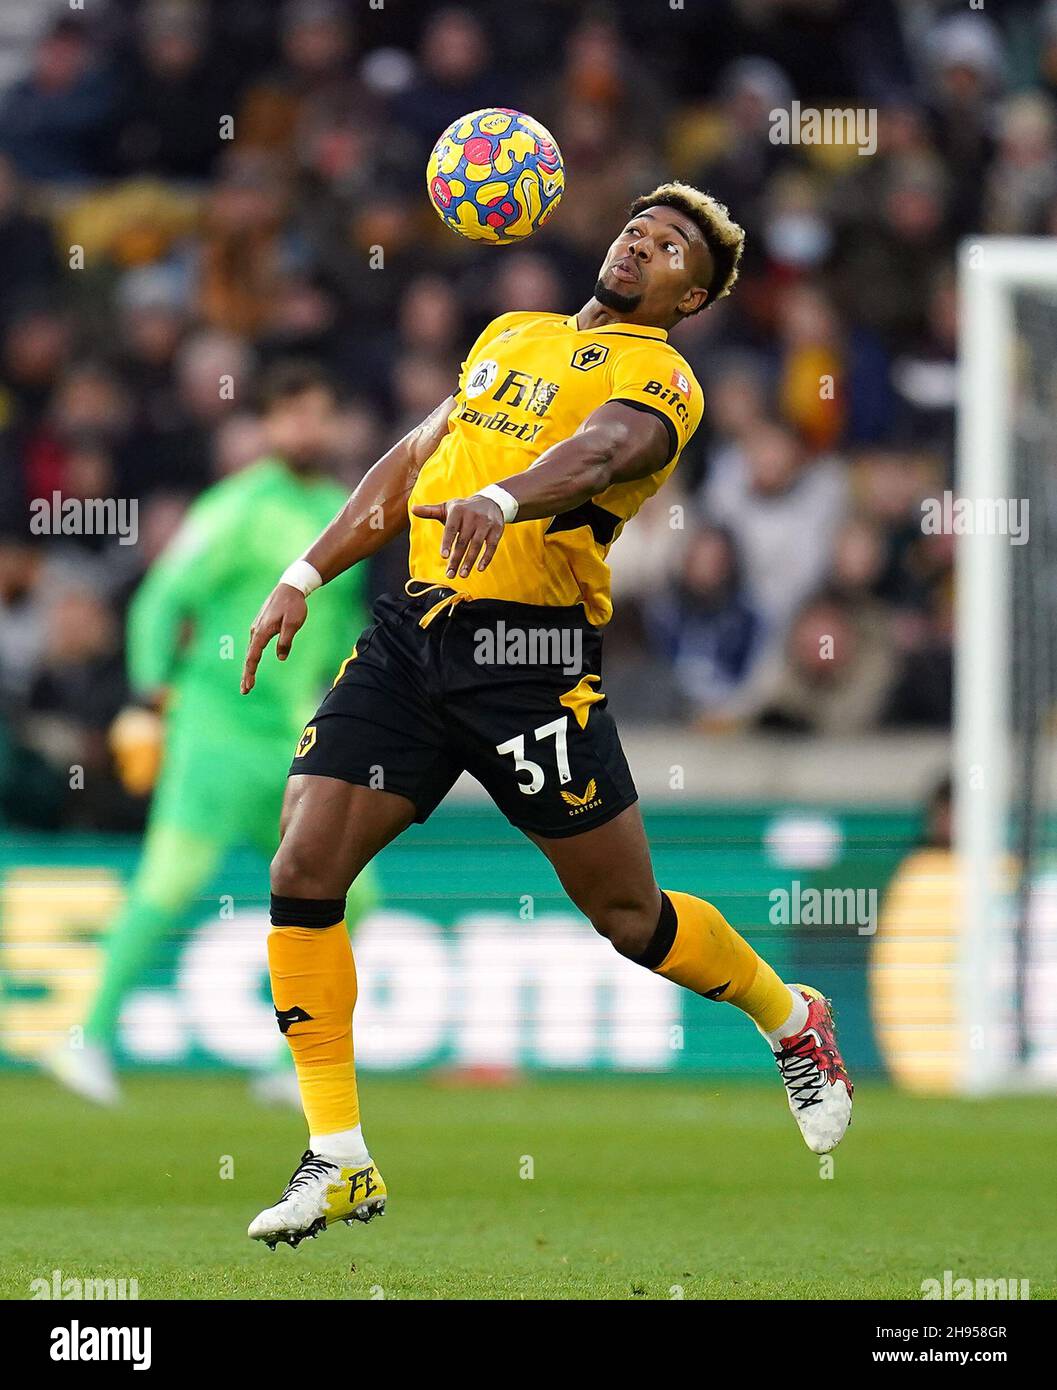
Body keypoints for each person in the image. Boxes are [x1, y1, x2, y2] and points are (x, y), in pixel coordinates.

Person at [240, 184, 853, 1249]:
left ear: (689, 294)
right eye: (636, 227)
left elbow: (602, 453)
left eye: (667, 247)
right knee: (301, 867)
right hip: (413, 636)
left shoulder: (662, 379)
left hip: (529, 660)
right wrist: (305, 568)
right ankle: (338, 1154)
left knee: (629, 920)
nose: (640, 244)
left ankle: (788, 1015)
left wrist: (506, 499)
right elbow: (414, 459)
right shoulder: (510, 334)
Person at [43, 361, 374, 1106]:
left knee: (353, 896)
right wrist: (147, 699)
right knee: (169, 883)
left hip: (294, 743)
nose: (306, 428)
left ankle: (287, 1054)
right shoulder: (235, 508)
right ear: (263, 426)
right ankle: (84, 1038)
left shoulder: (342, 508)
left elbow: (343, 628)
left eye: (318, 414)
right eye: (291, 415)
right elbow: (161, 601)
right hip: (216, 732)